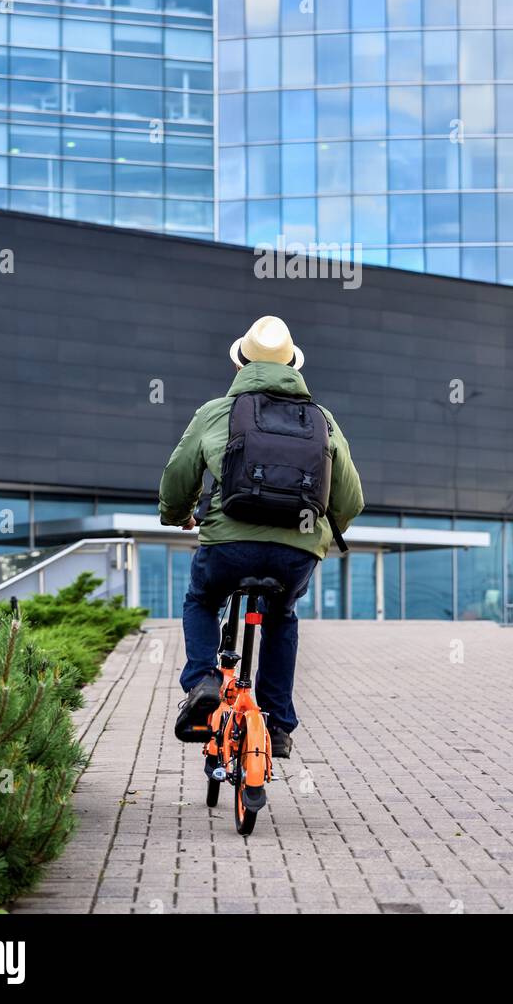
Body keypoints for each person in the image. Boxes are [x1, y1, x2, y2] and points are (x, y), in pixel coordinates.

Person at [159, 315, 364, 758]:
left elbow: (178, 477)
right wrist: (330, 529)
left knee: (202, 600)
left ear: (241, 366)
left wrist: (177, 515)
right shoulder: (322, 420)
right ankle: (277, 722)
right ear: (294, 366)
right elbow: (350, 498)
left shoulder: (216, 412)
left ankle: (202, 681)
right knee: (281, 616)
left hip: (228, 547)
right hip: (296, 551)